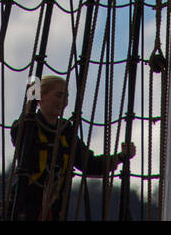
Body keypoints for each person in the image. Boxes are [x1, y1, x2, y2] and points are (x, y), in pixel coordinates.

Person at [9, 75, 135, 221]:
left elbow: (89, 164)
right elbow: (18, 133)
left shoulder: (66, 131)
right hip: (23, 210)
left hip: (55, 212)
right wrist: (31, 100)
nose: (64, 102)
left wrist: (120, 157)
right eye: (59, 95)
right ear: (41, 97)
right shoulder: (28, 126)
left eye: (67, 96)